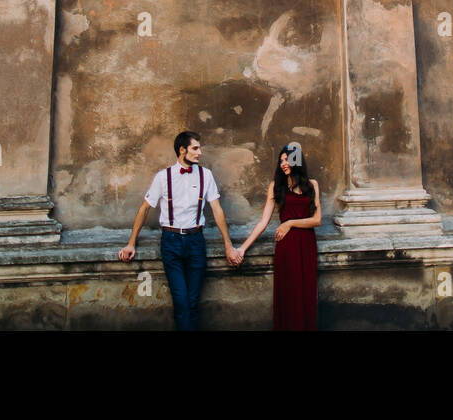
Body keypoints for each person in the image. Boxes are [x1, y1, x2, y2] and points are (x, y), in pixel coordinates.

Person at [117, 130, 241, 330]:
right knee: (182, 301)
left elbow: (217, 210)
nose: (200, 153)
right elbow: (144, 208)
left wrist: (228, 245)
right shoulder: (163, 177)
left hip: (196, 241)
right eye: (195, 148)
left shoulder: (205, 175)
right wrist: (131, 242)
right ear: (182, 150)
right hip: (171, 241)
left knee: (192, 302)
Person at [237, 142, 321, 330]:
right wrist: (242, 248)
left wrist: (290, 222)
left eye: (287, 159)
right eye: (281, 160)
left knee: (306, 292)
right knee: (289, 292)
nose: (283, 163)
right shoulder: (276, 186)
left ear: (296, 161)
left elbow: (317, 220)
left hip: (307, 244)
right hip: (287, 246)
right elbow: (263, 221)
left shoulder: (312, 185)